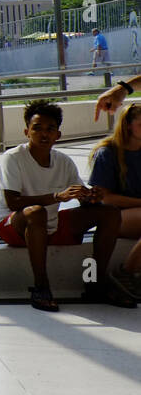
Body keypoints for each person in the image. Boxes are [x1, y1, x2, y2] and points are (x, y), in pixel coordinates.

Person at [0, 99, 135, 312]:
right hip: (16, 226)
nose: (44, 134)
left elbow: (80, 197)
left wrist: (91, 196)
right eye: (37, 128)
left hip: (49, 224)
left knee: (109, 214)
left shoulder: (63, 161)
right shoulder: (12, 158)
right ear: (27, 132)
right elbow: (12, 202)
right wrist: (57, 196)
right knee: (36, 212)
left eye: (50, 129)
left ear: (58, 135)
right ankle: (41, 287)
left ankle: (95, 284)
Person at [86, 103, 141, 299]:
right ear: (127, 125)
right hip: (112, 217)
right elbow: (105, 198)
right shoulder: (108, 153)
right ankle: (125, 272)